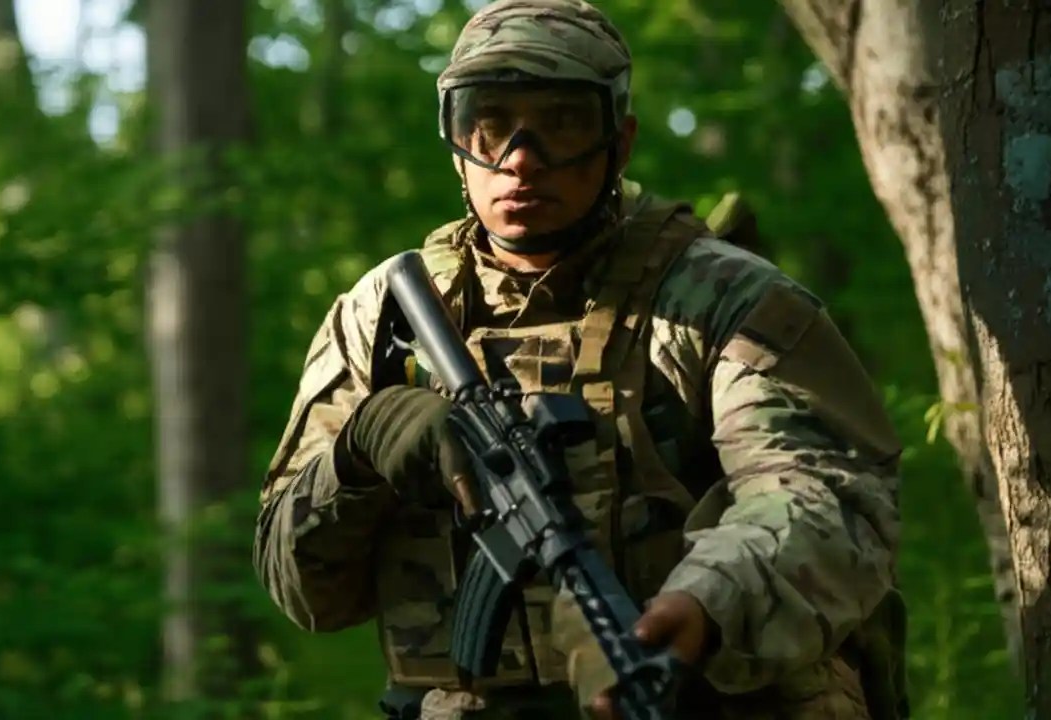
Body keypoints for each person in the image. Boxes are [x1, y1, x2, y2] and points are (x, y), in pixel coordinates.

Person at [253, 1, 907, 718]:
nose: (521, 158)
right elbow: (302, 591)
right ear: (457, 143)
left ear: (618, 144)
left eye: (562, 123)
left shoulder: (719, 300)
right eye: (492, 123)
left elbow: (829, 501)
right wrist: (360, 450)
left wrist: (703, 604)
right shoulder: (383, 315)